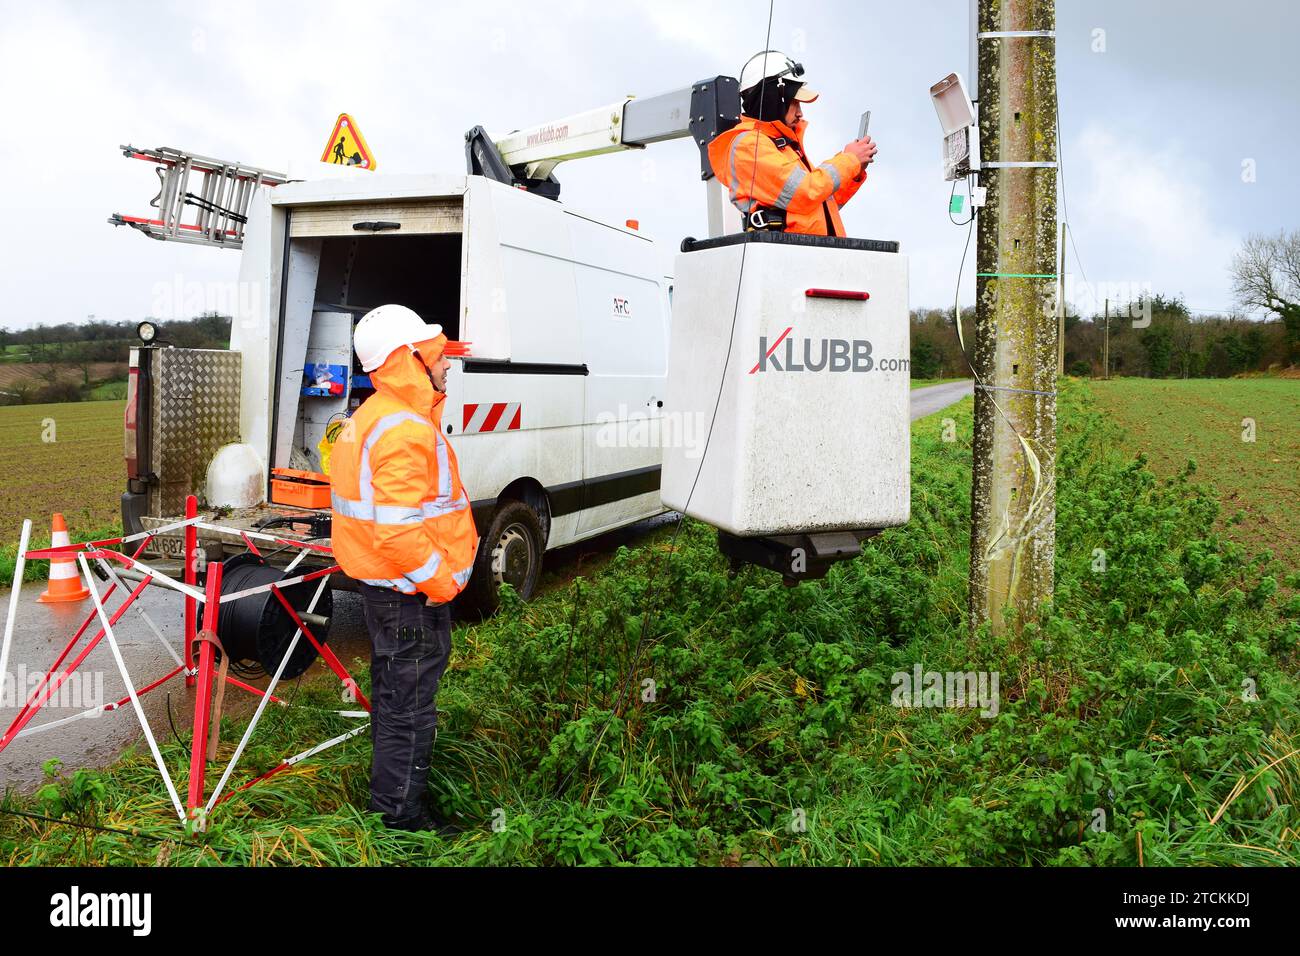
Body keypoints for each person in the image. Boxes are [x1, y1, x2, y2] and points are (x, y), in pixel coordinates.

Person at [329, 304, 478, 832]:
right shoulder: (404, 429)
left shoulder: (370, 416)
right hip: (410, 595)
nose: (446, 366)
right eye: (437, 357)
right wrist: (442, 584)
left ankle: (392, 802)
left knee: (397, 703)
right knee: (410, 711)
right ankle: (400, 820)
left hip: (386, 592)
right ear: (408, 360)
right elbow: (397, 531)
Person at [708, 50, 878, 236]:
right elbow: (806, 193)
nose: (800, 113)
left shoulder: (782, 146)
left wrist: (855, 171)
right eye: (794, 103)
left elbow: (820, 203)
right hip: (786, 258)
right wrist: (849, 160)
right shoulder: (749, 146)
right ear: (772, 99)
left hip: (806, 256)